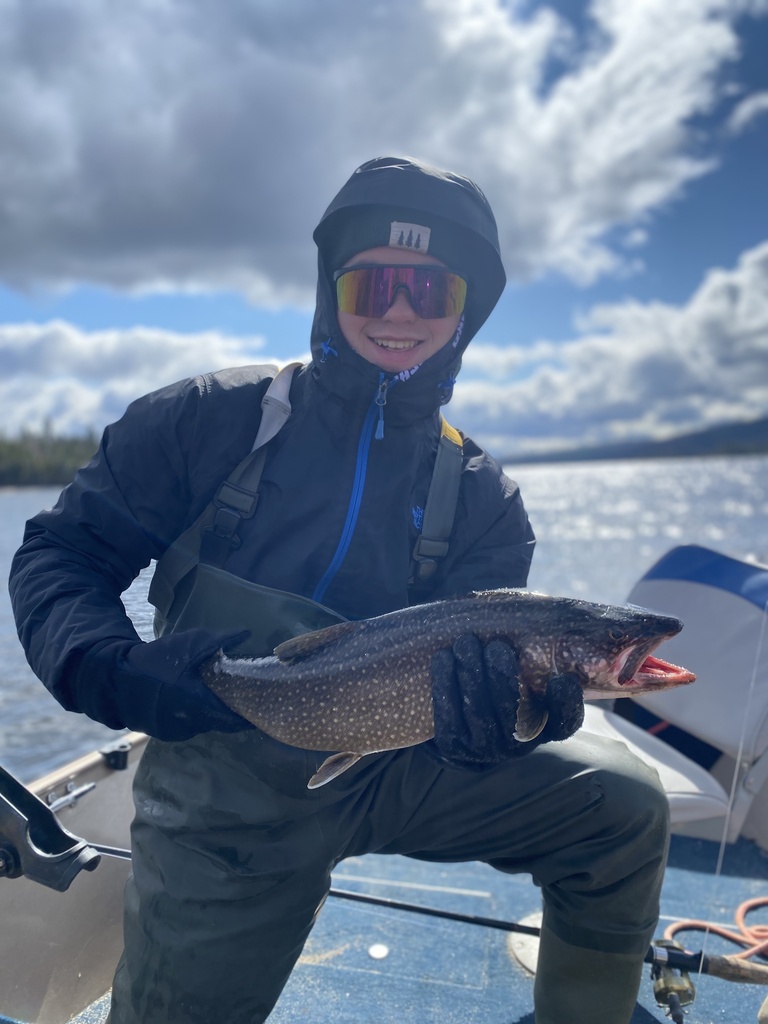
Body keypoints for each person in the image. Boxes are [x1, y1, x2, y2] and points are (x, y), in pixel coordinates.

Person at [9, 156, 670, 1024]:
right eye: (376, 286)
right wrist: (109, 663)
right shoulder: (205, 420)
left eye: (429, 293)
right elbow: (60, 555)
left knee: (623, 809)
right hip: (222, 781)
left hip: (395, 758)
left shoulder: (482, 498)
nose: (400, 313)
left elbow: (472, 674)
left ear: (466, 311)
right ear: (331, 289)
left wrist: (501, 730)